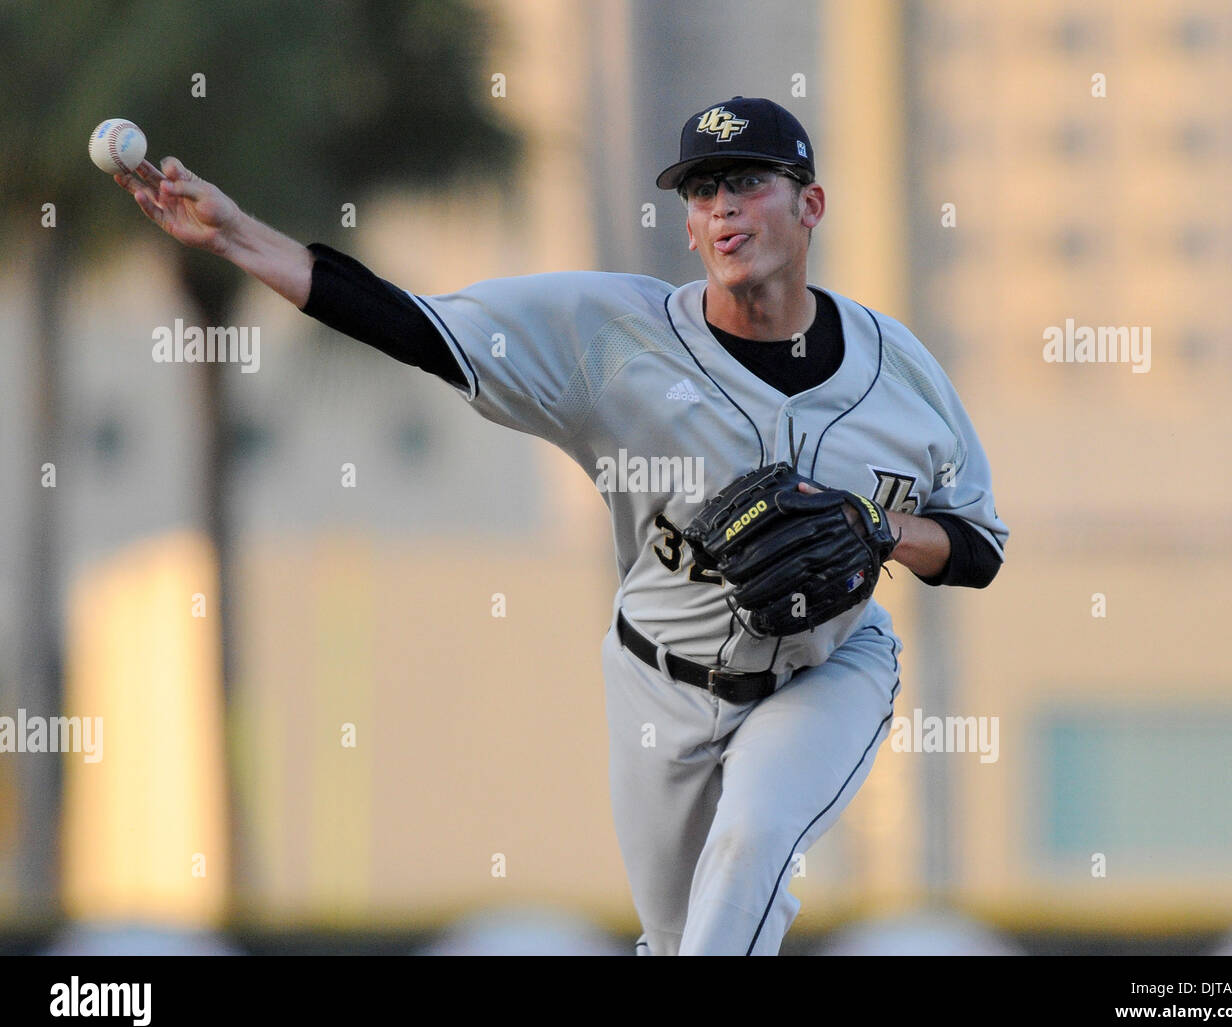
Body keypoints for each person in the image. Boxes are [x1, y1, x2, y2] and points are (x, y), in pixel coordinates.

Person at [115, 96, 1008, 955]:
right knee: (678, 939)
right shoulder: (612, 337)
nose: (723, 209)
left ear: (810, 204)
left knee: (752, 843)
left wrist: (883, 531)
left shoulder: (901, 372)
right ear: (690, 227)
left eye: (749, 183)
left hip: (830, 671)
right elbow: (413, 325)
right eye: (703, 192)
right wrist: (235, 234)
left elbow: (978, 546)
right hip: (659, 682)